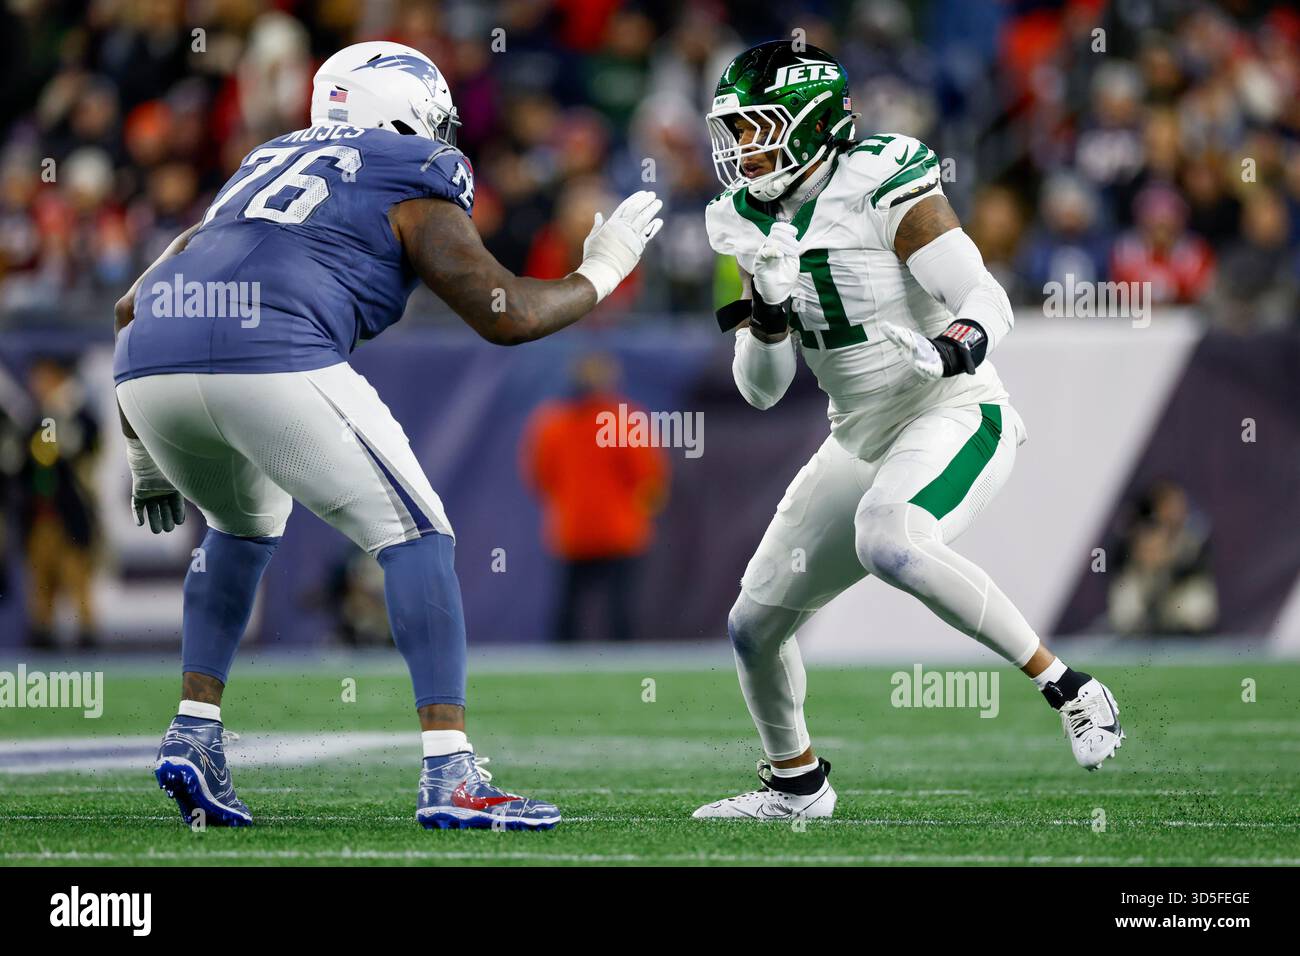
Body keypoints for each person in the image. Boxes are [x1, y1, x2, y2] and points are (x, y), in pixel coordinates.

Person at [112, 41, 662, 830]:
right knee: (419, 535)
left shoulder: (263, 162)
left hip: (148, 364)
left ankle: (195, 733)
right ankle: (451, 772)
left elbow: (130, 305)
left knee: (240, 526)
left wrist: (146, 459)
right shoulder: (413, 168)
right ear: (400, 110)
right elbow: (505, 315)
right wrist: (600, 272)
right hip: (269, 350)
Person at [695, 41, 1123, 820]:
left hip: (951, 407)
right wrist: (765, 310)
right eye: (737, 131)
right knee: (753, 627)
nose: (744, 148)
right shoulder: (742, 217)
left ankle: (1069, 687)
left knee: (887, 539)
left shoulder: (881, 174)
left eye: (758, 127)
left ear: (813, 122)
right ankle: (796, 787)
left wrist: (949, 347)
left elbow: (979, 292)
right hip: (858, 434)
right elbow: (761, 392)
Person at [522, 353, 668, 642]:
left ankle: (559, 678)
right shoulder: (624, 421)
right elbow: (650, 480)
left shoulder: (551, 424)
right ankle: (626, 676)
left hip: (573, 532)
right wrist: (640, 513)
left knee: (568, 615)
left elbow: (540, 477)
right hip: (620, 533)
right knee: (620, 612)